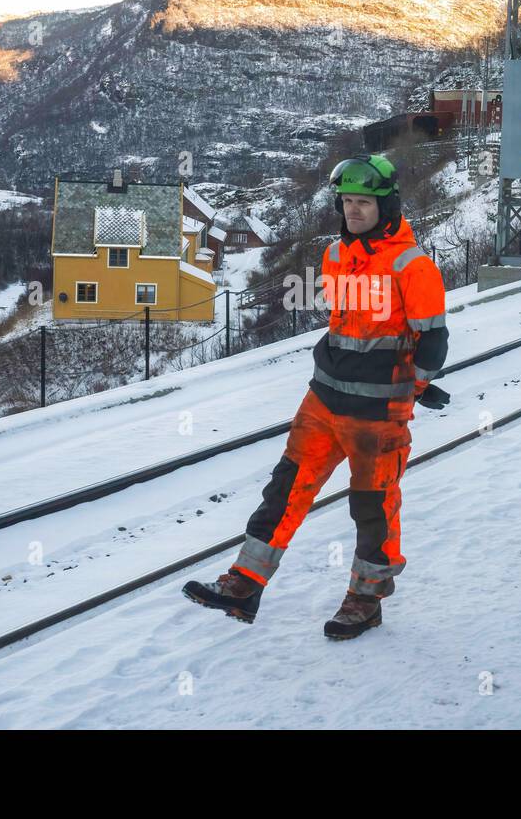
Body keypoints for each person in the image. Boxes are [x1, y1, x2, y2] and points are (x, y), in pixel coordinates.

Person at [183, 153, 450, 639]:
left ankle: (365, 600)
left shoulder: (413, 265)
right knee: (284, 490)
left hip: (379, 412)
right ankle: (244, 583)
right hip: (323, 400)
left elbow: (432, 341)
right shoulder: (334, 256)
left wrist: (417, 386)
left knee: (372, 506)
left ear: (385, 206)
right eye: (347, 202)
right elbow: (346, 326)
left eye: (363, 203)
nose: (353, 211)